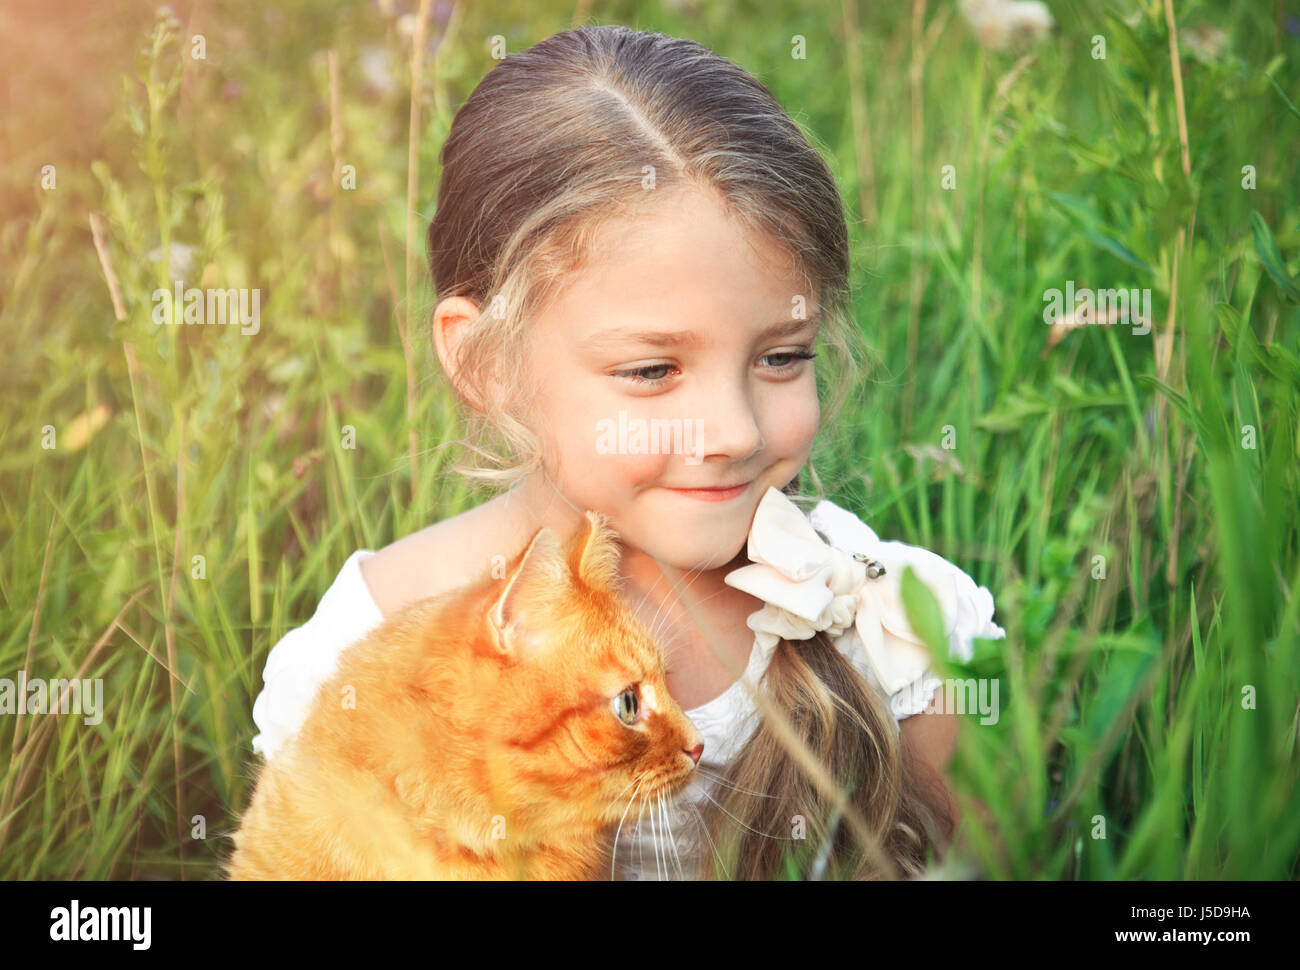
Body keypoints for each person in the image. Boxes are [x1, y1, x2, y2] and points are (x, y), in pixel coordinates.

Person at [251, 24, 1004, 880]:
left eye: (782, 356)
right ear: (483, 363)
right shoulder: (362, 659)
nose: (734, 433)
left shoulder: (898, 625)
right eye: (652, 370)